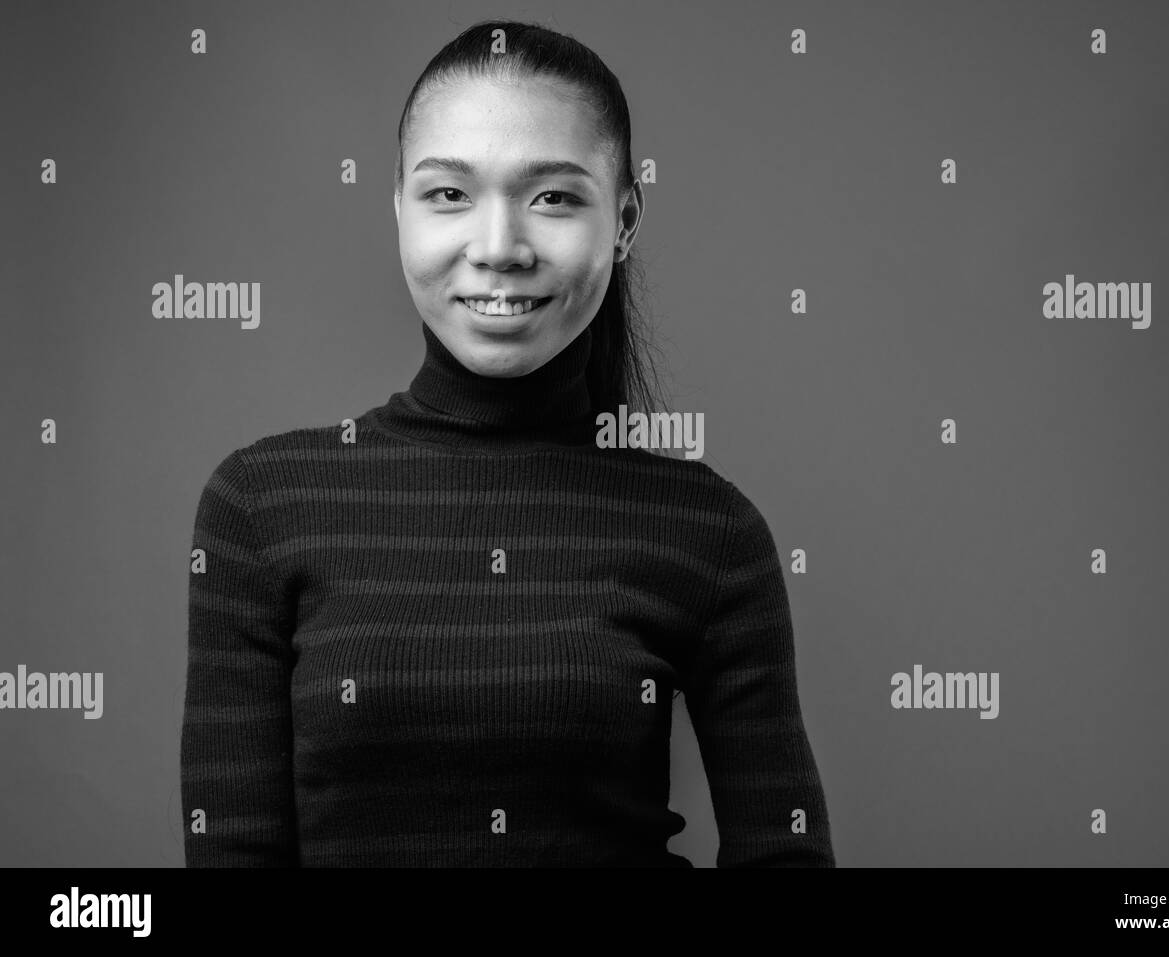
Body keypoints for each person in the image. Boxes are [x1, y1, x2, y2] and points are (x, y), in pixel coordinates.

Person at [180, 19, 834, 867]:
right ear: (399, 210)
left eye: (554, 196)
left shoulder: (710, 532)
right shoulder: (260, 506)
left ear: (626, 220)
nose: (497, 248)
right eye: (448, 194)